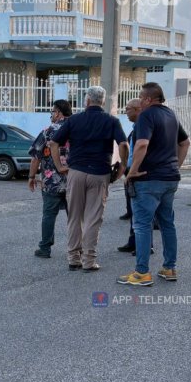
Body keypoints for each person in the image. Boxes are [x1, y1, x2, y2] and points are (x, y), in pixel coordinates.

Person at [119, 82, 191, 287]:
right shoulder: (171, 115)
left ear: (148, 99)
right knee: (167, 223)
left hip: (148, 179)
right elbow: (185, 143)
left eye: (142, 98)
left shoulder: (146, 116)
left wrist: (132, 171)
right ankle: (169, 268)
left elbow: (142, 144)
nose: (140, 101)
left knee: (142, 225)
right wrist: (175, 166)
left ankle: (142, 273)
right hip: (169, 178)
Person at [49, 86, 128, 272]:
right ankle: (89, 261)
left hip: (76, 172)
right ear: (103, 101)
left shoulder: (74, 120)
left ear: (87, 101)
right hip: (100, 173)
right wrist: (123, 166)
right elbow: (123, 145)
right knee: (93, 218)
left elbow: (53, 143)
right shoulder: (112, 121)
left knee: (74, 216)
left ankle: (73, 258)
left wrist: (59, 166)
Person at [28, 99, 71, 258]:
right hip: (74, 181)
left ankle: (45, 248)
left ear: (58, 113)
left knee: (49, 215)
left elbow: (36, 157)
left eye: (52, 112)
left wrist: (31, 176)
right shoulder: (77, 129)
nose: (51, 115)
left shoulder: (48, 131)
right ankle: (77, 249)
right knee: (75, 216)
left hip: (51, 182)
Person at [118, 98, 154, 255]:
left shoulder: (144, 127)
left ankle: (146, 246)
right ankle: (133, 242)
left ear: (138, 109)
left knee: (143, 214)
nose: (125, 112)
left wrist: (132, 170)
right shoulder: (135, 128)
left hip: (140, 174)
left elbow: (142, 148)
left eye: (128, 109)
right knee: (134, 211)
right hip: (132, 172)